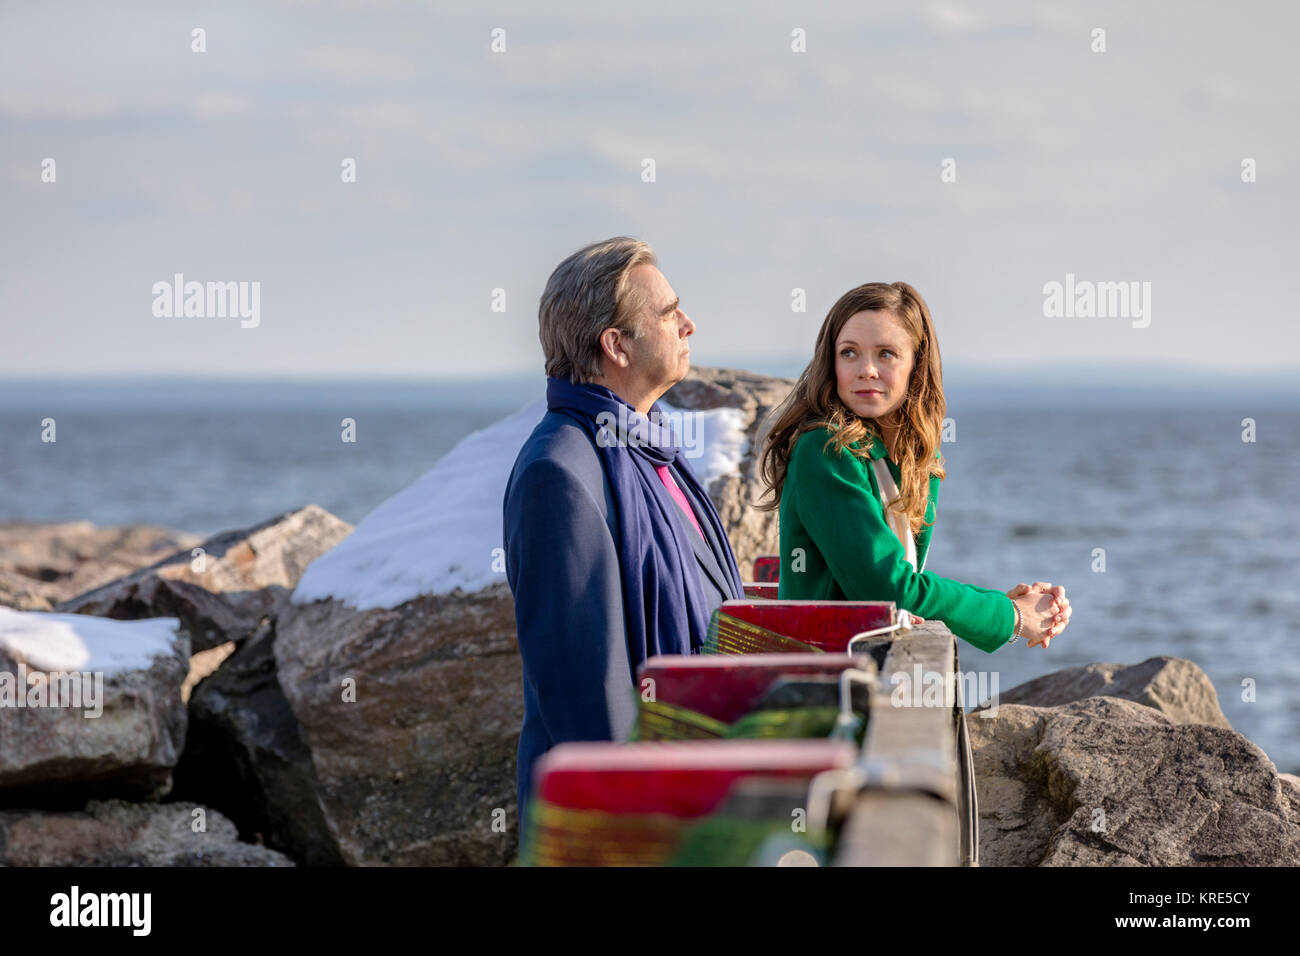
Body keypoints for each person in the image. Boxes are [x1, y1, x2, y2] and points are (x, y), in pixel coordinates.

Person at [502, 236, 744, 818]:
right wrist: (641, 822)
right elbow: (589, 692)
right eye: (667, 314)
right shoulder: (558, 473)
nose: (688, 324)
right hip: (625, 817)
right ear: (616, 346)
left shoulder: (651, 450)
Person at [757, 281, 1072, 653]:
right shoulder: (824, 449)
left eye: (886, 354)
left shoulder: (913, 459)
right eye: (849, 353)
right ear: (831, 362)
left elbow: (902, 583)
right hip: (822, 678)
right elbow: (889, 589)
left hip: (862, 666)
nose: (866, 370)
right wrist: (1008, 615)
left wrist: (1002, 605)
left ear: (916, 365)